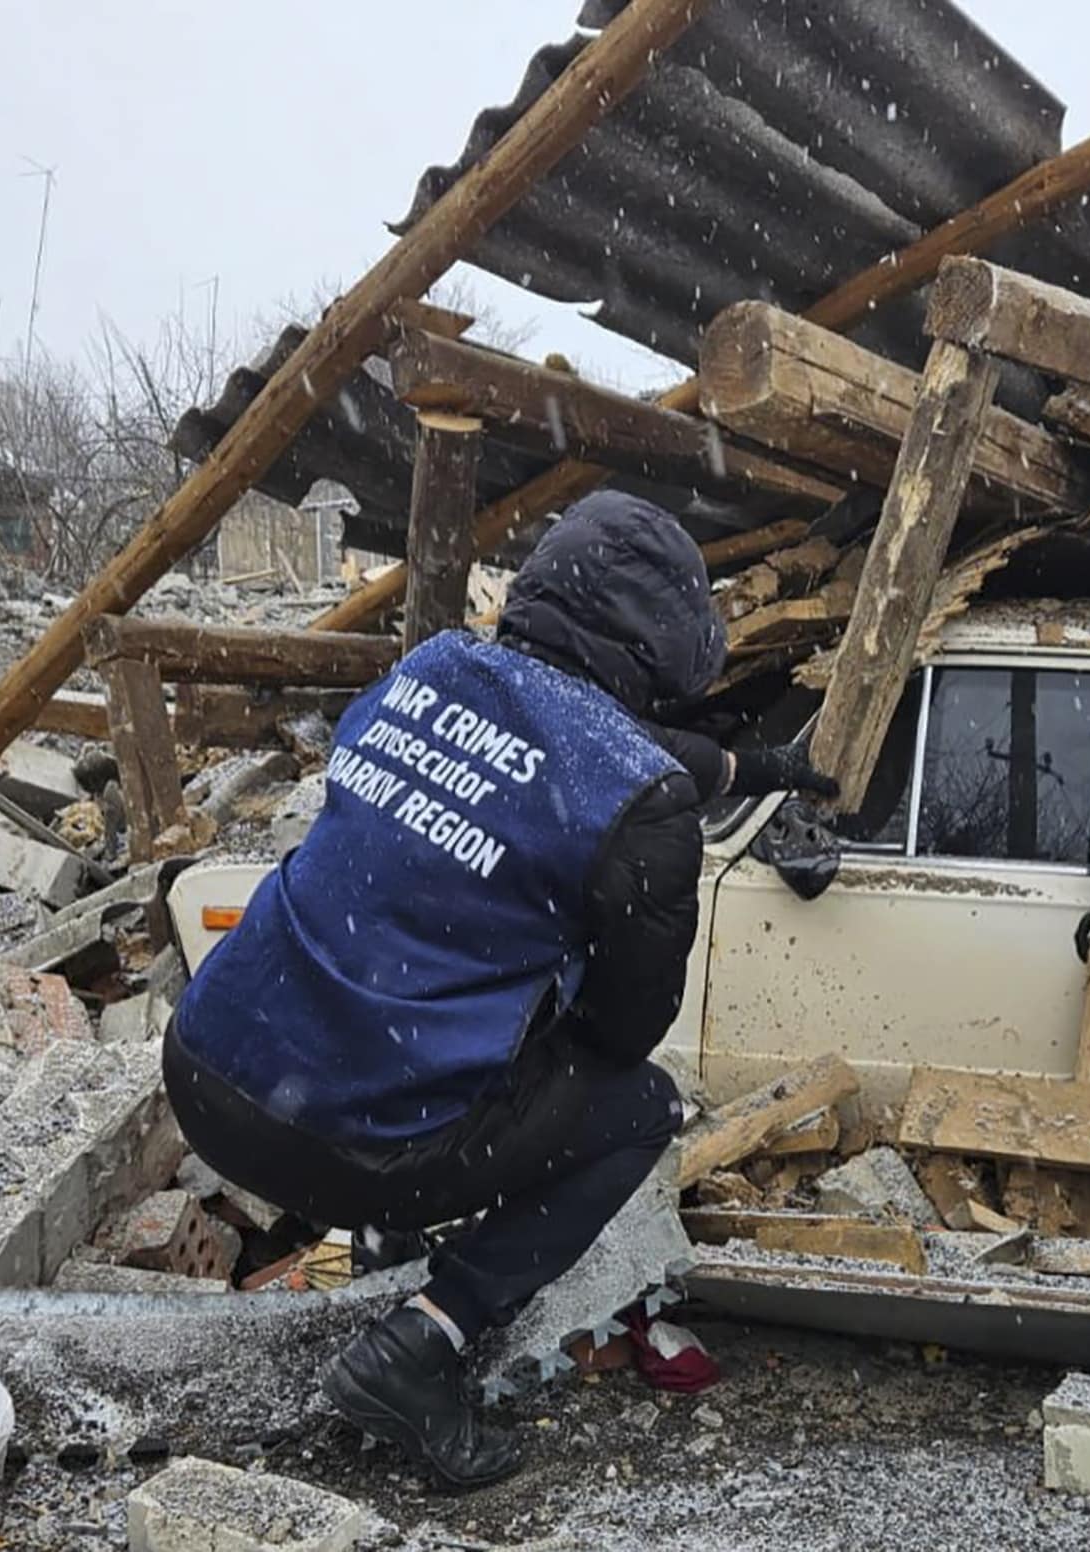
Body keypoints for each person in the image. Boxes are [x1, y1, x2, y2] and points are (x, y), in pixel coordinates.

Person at [161, 491, 830, 1490]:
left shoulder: (430, 669)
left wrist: (748, 767)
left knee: (436, 1011)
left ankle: (385, 1244)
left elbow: (564, 742)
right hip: (357, 1140)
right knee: (637, 1104)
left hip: (209, 1066)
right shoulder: (640, 807)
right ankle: (423, 1341)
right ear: (663, 653)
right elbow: (622, 1024)